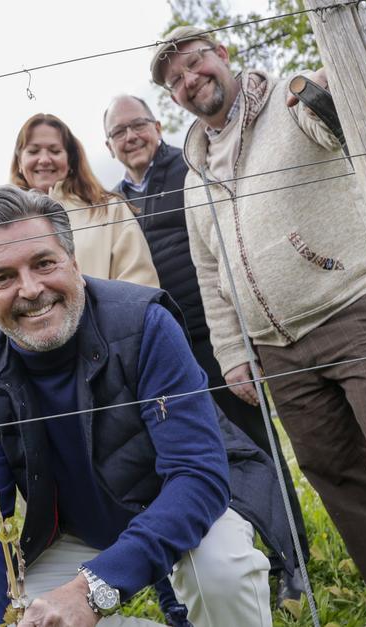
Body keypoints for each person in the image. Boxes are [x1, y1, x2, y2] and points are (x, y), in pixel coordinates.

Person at [152, 26, 366, 627]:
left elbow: (340, 125)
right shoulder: (192, 173)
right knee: (336, 474)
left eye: (194, 63)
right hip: (275, 345)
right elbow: (210, 270)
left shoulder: (288, 101)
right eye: (174, 80)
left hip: (353, 302)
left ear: (223, 55)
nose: (188, 81)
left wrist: (331, 88)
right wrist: (232, 352)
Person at [0, 186, 296, 627]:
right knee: (32, 621)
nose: (31, 289)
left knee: (221, 573)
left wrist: (93, 588)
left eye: (44, 263)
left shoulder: (145, 323)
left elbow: (197, 476)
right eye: (3, 278)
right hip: (82, 533)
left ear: (74, 263)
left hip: (195, 502)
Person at [103, 94, 309, 602]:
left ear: (156, 126)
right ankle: (212, 565)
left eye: (138, 126)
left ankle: (292, 562)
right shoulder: (110, 203)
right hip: (155, 353)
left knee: (256, 450)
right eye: (119, 133)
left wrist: (236, 337)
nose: (131, 138)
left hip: (212, 338)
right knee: (187, 461)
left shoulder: (192, 168)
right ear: (109, 144)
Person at [0, 113, 158, 344]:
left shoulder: (108, 209)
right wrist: (22, 346)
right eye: (34, 150)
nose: (44, 159)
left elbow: (138, 281)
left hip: (112, 346)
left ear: (71, 160)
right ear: (19, 160)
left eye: (55, 151)